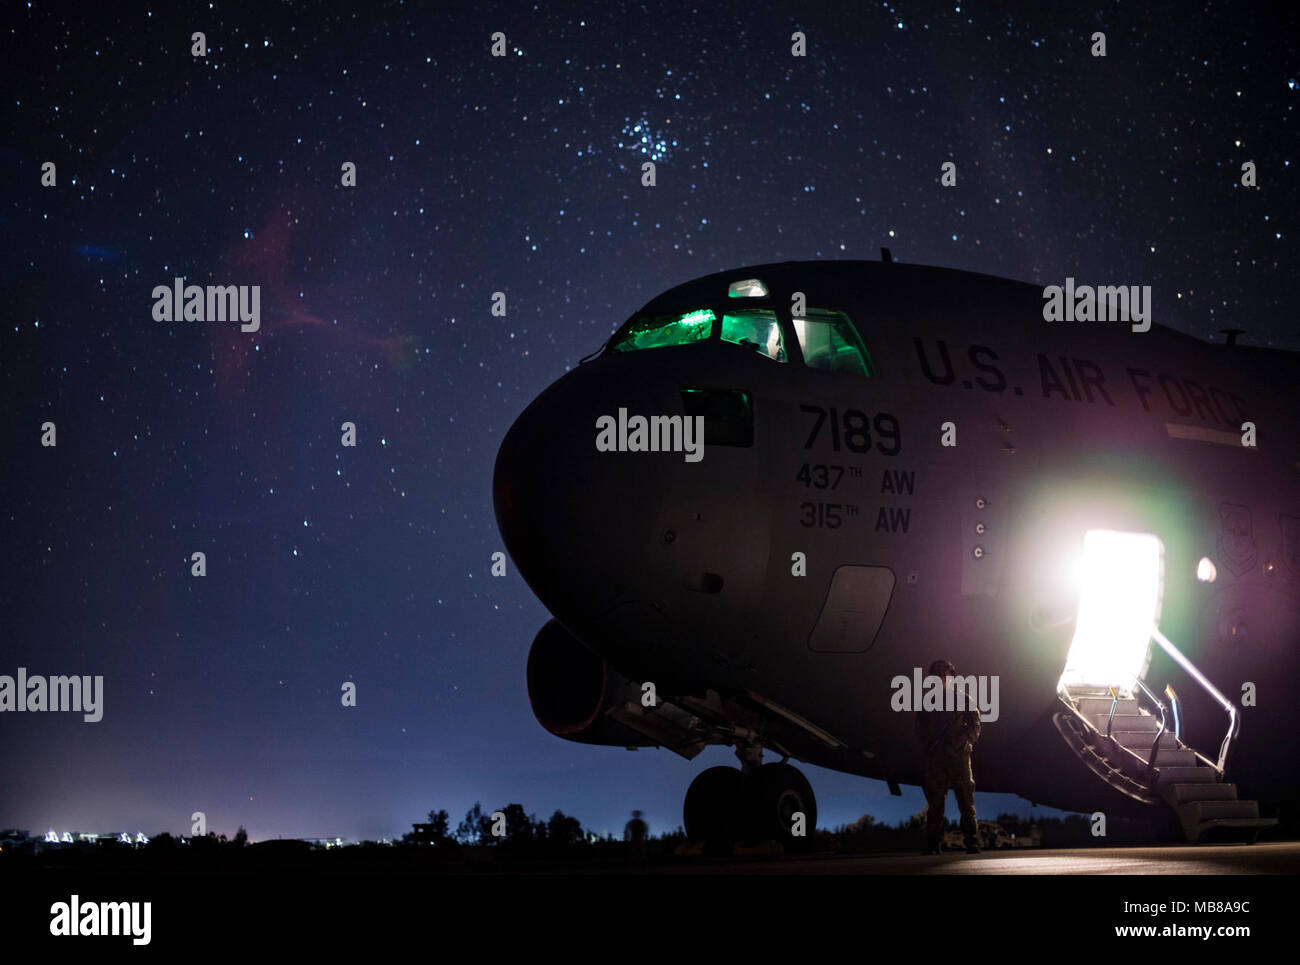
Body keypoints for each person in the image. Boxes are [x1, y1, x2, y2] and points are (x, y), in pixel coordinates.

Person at [916, 658, 981, 855]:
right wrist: (930, 746)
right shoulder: (928, 702)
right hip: (937, 758)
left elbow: (975, 725)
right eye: (938, 675)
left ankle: (972, 842)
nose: (942, 678)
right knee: (935, 804)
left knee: (966, 802)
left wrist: (965, 741)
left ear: (952, 677)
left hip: (959, 756)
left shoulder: (964, 699)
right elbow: (920, 729)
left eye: (945, 675)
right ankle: (933, 843)